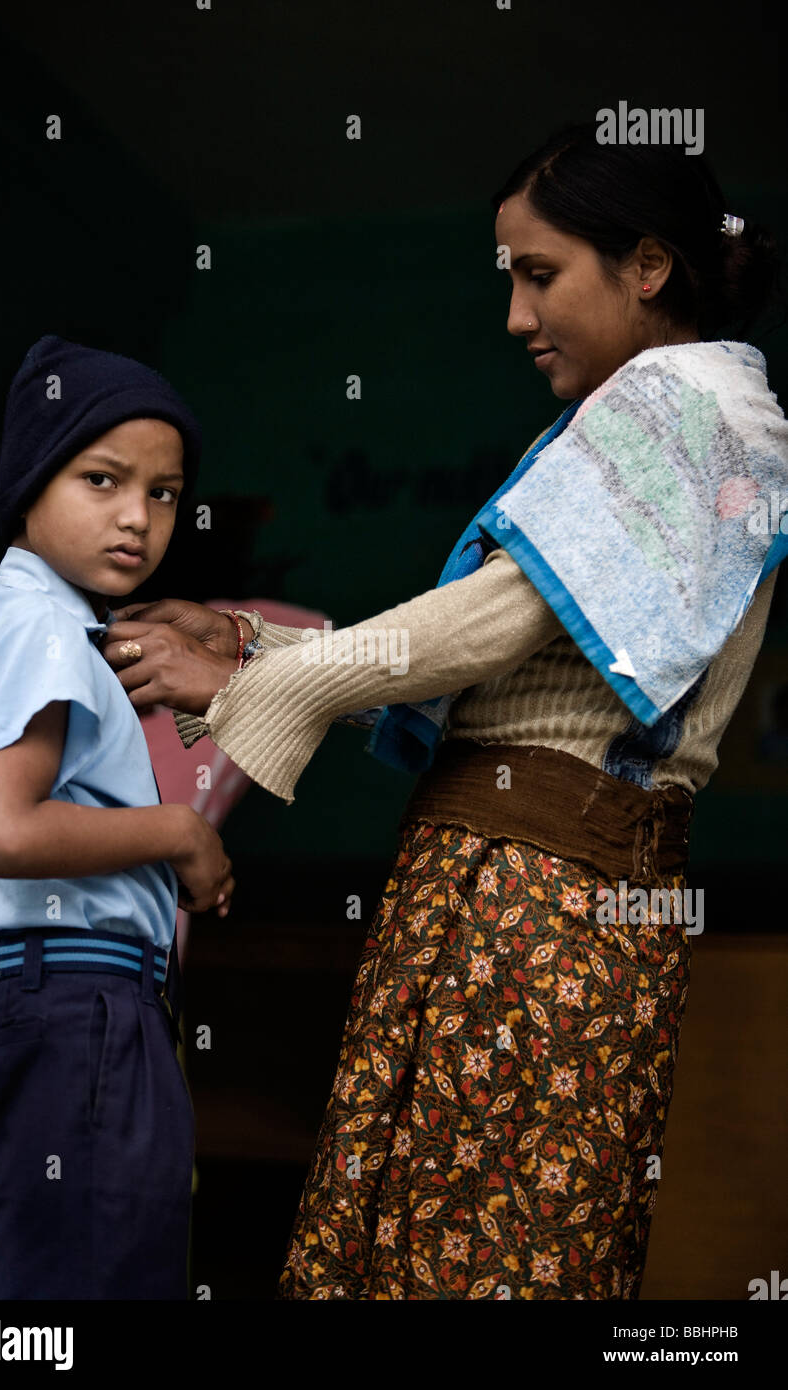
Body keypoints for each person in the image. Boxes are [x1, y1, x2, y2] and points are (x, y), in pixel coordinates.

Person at [102, 124, 788, 1299]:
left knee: (481, 1260)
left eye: (539, 274)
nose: (516, 319)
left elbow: (493, 623)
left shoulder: (688, 408)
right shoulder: (651, 424)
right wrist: (261, 642)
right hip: (503, 891)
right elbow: (490, 691)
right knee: (428, 1244)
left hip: (539, 915)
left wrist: (261, 680)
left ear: (646, 266)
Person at [0, 334, 234, 1300]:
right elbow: (8, 834)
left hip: (2, 1021)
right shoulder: (49, 627)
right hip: (81, 1026)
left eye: (164, 494)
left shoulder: (4, 621)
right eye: (101, 480)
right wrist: (183, 835)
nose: (137, 519)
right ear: (29, 486)